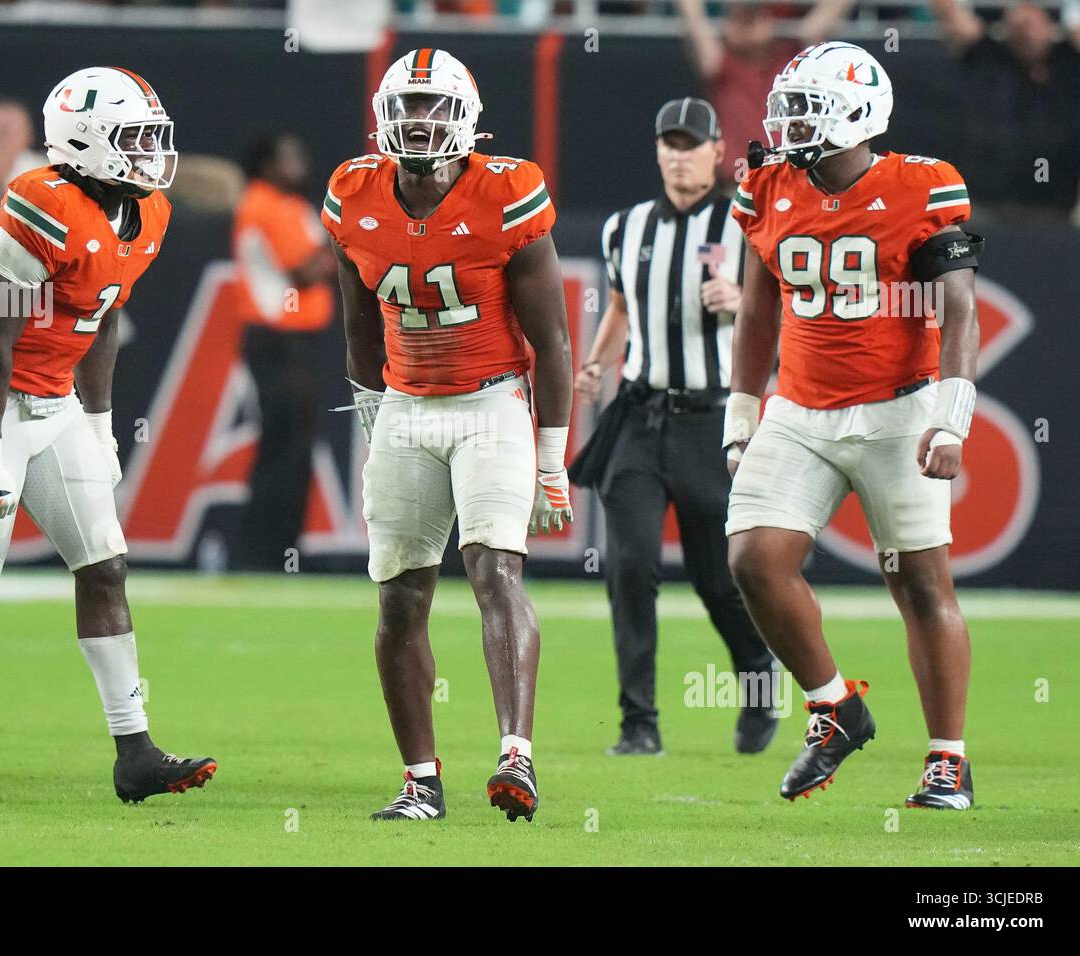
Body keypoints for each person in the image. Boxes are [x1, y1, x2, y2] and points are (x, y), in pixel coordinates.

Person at [0, 67, 216, 804]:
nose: (149, 152)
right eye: (132, 137)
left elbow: (104, 316)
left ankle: (135, 752)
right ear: (86, 140)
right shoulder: (41, 203)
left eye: (150, 136)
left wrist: (98, 426)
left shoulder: (148, 213)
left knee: (104, 565)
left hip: (58, 402)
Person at [725, 42, 982, 809]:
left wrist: (952, 418)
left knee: (920, 584)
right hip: (800, 407)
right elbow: (757, 307)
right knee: (753, 558)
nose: (789, 123)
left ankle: (948, 759)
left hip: (900, 408)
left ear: (859, 113)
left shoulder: (921, 184)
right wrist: (742, 409)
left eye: (807, 108)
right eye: (788, 107)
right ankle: (835, 705)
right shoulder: (767, 184)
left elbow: (959, 306)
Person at [322, 48, 573, 822]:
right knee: (400, 598)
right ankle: (420, 782)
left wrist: (552, 461)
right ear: (382, 117)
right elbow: (358, 328)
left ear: (467, 120)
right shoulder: (353, 192)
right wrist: (375, 421)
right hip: (404, 405)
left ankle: (515, 756)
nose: (419, 122)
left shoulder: (508, 192)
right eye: (407, 107)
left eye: (434, 108)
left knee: (495, 570)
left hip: (491, 402)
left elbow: (553, 341)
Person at [575, 97, 777, 758]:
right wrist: (596, 363)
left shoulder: (747, 222)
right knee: (629, 566)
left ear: (718, 151)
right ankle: (638, 722)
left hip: (713, 419)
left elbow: (791, 314)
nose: (680, 155)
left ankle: (758, 681)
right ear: (658, 151)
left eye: (692, 144)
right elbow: (619, 307)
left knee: (720, 579)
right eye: (670, 143)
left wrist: (742, 301)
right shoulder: (625, 227)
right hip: (639, 415)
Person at [233, 132, 336, 570]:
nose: (298, 165)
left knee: (294, 446)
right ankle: (264, 554)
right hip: (277, 338)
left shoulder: (289, 205)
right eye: (286, 157)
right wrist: (347, 233)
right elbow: (306, 272)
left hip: (295, 340)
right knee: (283, 447)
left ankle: (282, 550)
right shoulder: (266, 204)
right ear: (265, 164)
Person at [930, 0, 1080, 223]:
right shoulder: (986, 58)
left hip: (1055, 206)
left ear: (1049, 28)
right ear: (1005, 30)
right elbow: (950, 14)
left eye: (1033, 24)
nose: (1027, 33)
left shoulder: (1071, 60)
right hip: (988, 203)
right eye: (1019, 26)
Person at [674, 0, 857, 185]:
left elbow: (819, 24)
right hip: (738, 184)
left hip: (792, 181)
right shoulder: (723, 66)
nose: (745, 27)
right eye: (737, 19)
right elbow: (695, 20)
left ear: (772, 22)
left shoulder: (793, 63)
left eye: (754, 18)